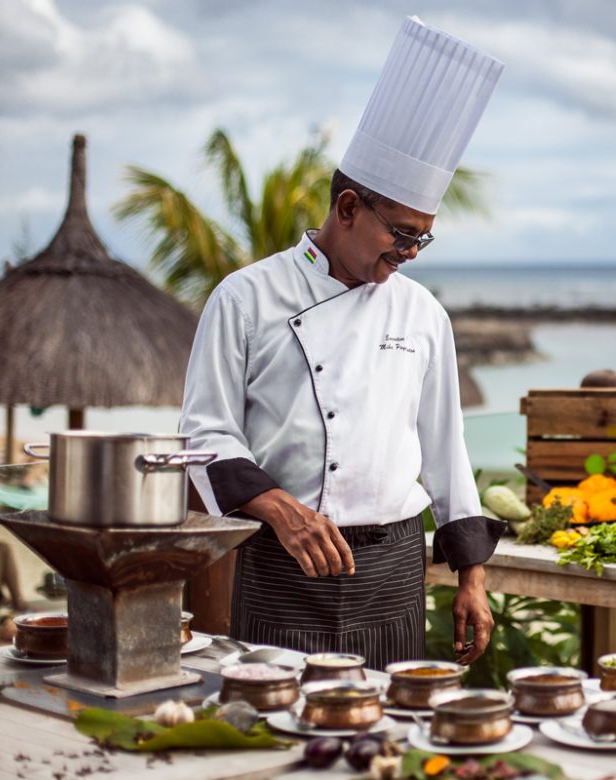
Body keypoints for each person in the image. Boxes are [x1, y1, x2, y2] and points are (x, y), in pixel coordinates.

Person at [180, 17, 505, 669]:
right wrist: (279, 507)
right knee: (275, 736)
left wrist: (472, 575)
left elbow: (446, 450)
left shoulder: (422, 315)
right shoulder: (245, 297)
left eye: (423, 240)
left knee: (383, 751)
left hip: (391, 572)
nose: (410, 254)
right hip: (281, 562)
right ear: (349, 207)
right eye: (403, 235)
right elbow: (204, 433)